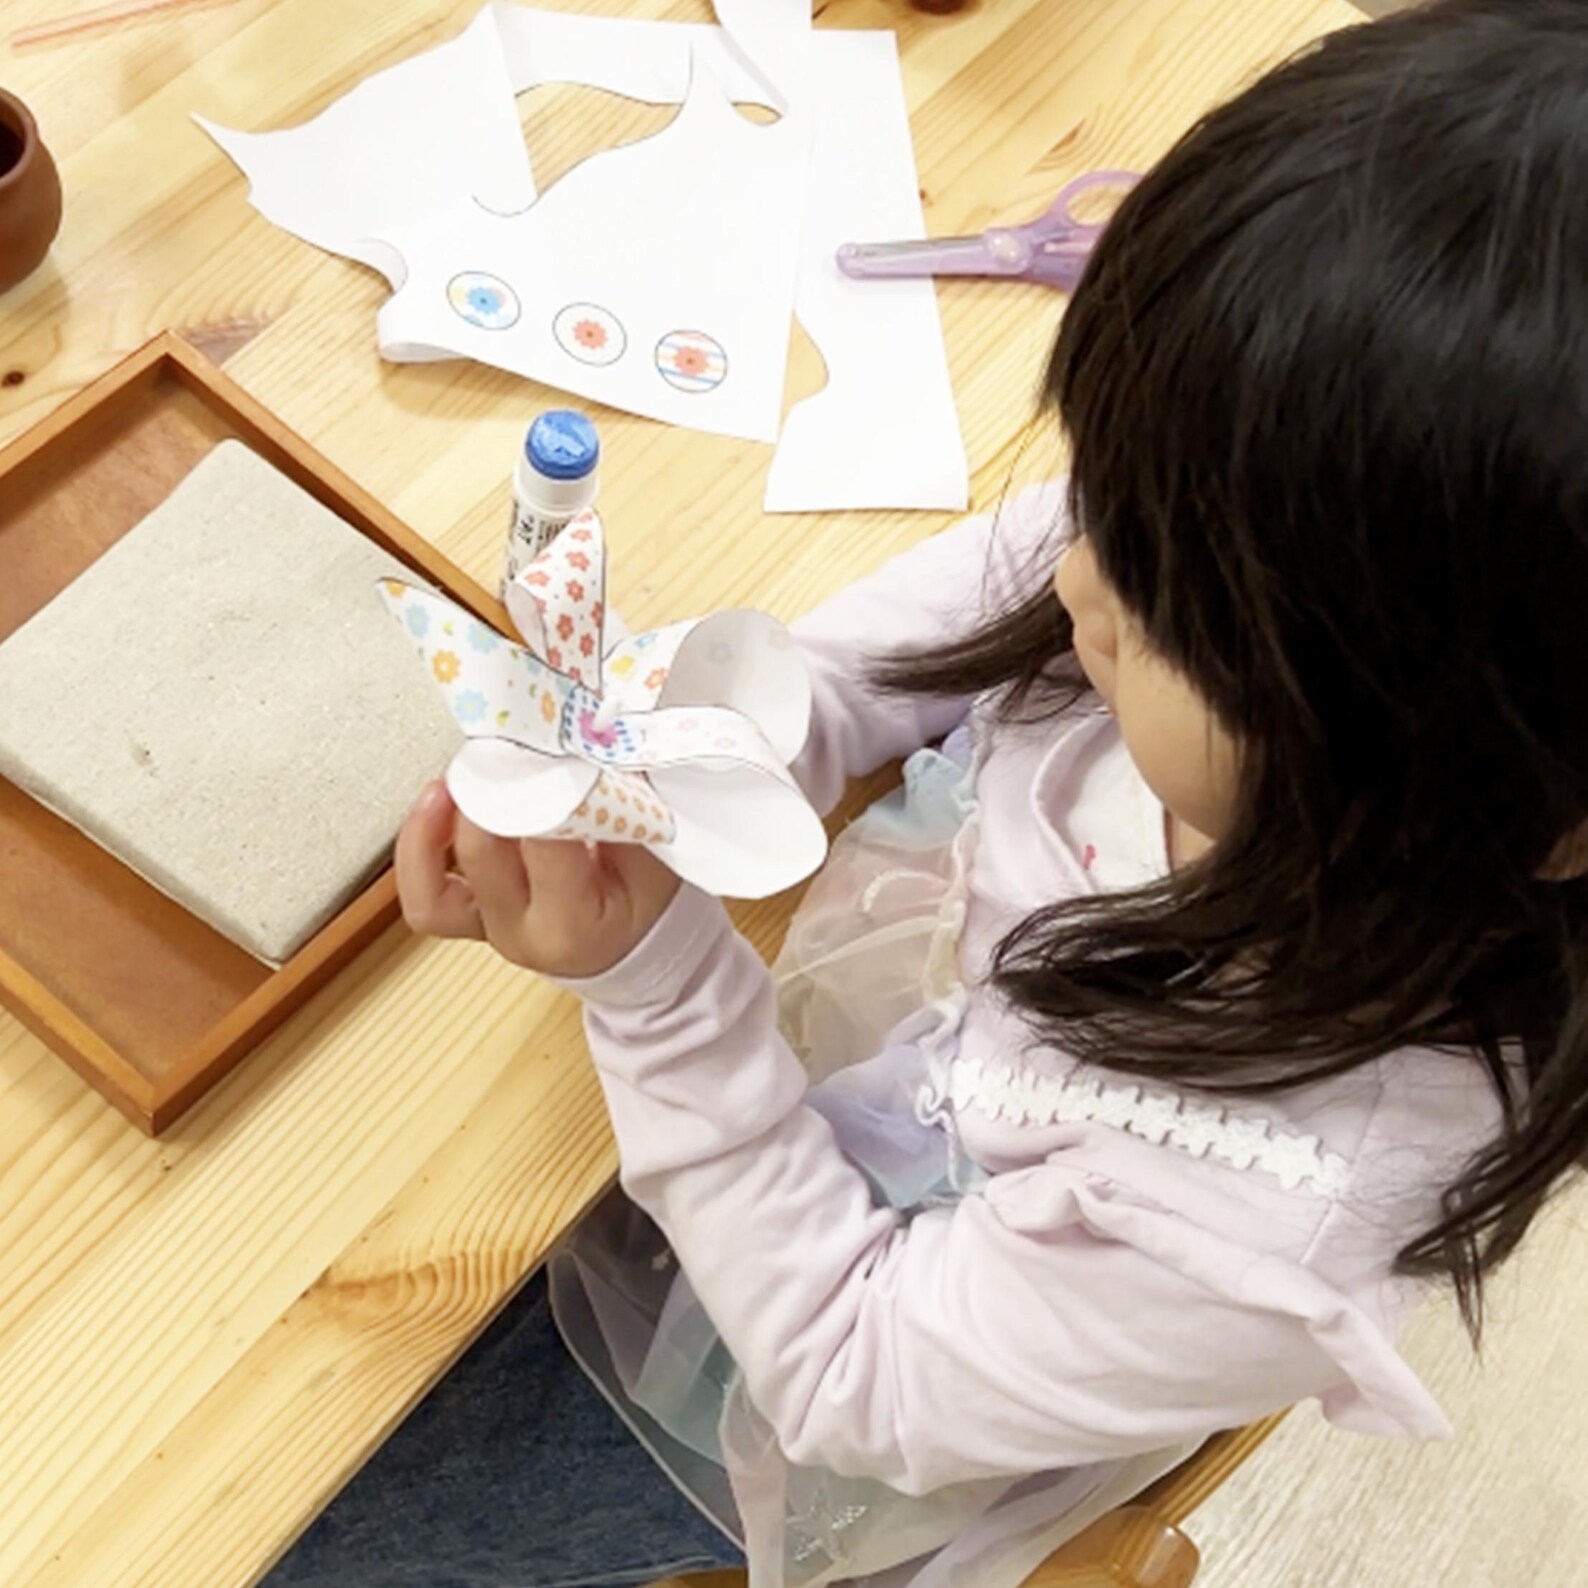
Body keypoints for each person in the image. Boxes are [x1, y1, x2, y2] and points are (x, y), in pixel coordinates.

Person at [265, 2, 1588, 1584]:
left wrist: (656, 983)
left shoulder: (1259, 1221)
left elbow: (850, 1384)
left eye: (1172, 608)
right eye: (1114, 475)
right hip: (911, 1070)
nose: (1081, 569)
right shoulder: (1271, 541)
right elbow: (934, 629)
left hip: (881, 1376)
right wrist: (701, 755)